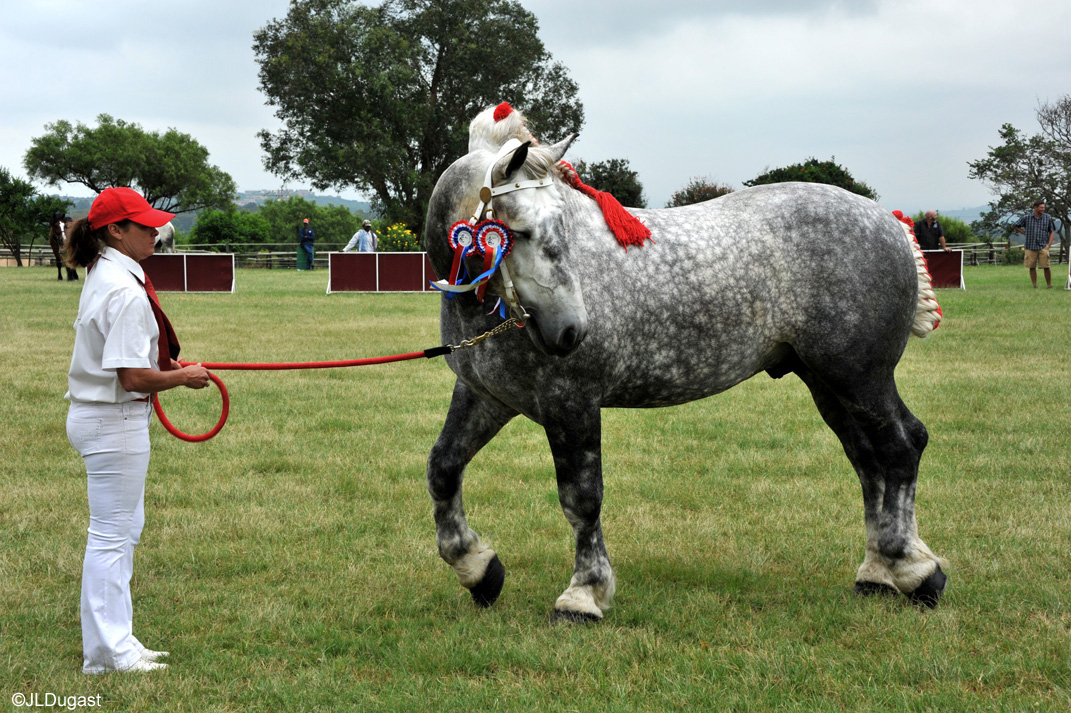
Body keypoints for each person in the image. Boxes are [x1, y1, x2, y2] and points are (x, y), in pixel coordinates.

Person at [63, 187, 211, 674]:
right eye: (143, 225)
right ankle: (108, 654)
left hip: (106, 418)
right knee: (111, 536)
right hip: (114, 420)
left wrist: (164, 365)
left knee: (124, 532)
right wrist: (182, 377)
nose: (154, 232)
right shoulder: (125, 290)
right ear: (115, 231)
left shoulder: (107, 271)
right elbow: (132, 377)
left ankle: (117, 642)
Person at [1013, 200, 1057, 288]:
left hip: (1043, 246)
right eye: (1041, 207)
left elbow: (1052, 231)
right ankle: (1035, 285)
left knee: (1046, 266)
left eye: (1044, 207)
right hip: (1030, 246)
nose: (1043, 209)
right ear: (1035, 207)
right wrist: (1023, 232)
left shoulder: (1048, 217)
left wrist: (1049, 244)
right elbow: (1015, 225)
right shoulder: (1027, 217)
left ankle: (1049, 285)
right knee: (1031, 266)